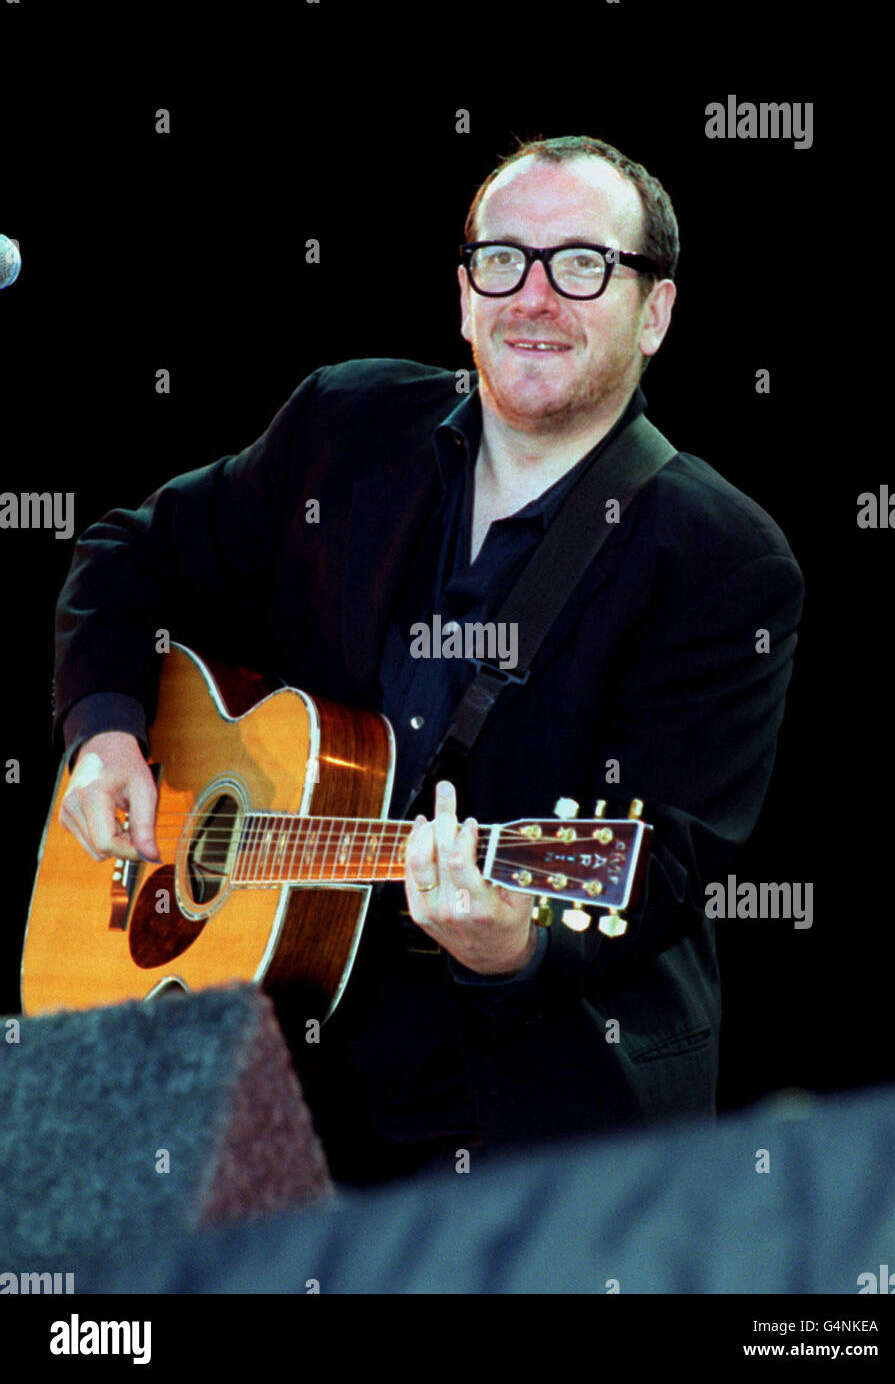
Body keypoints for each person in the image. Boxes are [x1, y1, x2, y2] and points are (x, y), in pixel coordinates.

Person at [53, 135, 804, 1185]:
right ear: (464, 295)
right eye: (504, 259)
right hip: (275, 1080)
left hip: (537, 1111)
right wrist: (105, 733)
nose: (533, 296)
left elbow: (665, 863)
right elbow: (129, 551)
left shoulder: (722, 560)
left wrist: (519, 948)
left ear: (656, 313)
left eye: (582, 263)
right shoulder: (347, 426)